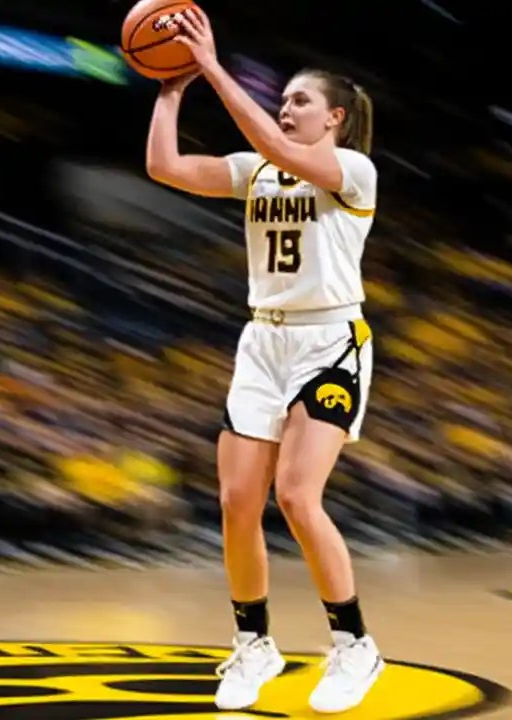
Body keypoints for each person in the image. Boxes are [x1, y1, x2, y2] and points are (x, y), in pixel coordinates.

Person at [144, 8, 383, 714]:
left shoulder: (353, 172)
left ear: (334, 117)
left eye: (299, 100)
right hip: (263, 343)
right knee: (236, 502)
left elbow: (276, 148)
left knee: (297, 496)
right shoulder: (258, 172)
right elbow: (164, 166)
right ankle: (255, 644)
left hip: (329, 343)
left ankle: (354, 645)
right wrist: (170, 88)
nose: (285, 108)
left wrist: (213, 66)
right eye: (281, 100)